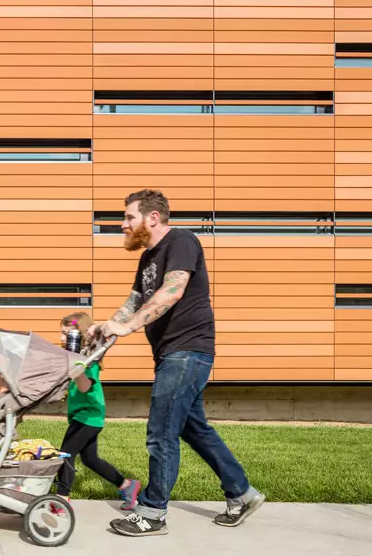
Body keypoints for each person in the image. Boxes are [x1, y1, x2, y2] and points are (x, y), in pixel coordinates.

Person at [87, 189, 265, 537]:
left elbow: (174, 289)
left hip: (188, 350)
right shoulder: (148, 258)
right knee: (192, 428)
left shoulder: (182, 241)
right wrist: (106, 328)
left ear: (152, 218)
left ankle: (153, 513)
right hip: (173, 352)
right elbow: (136, 299)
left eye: (128, 217)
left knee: (161, 432)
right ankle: (242, 493)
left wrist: (128, 325)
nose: (123, 225)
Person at [55, 312, 141, 510]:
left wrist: (77, 372)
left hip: (89, 416)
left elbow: (85, 386)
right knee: (90, 459)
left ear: (81, 337)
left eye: (66, 334)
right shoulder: (77, 358)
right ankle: (127, 485)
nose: (61, 338)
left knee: (66, 454)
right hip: (83, 415)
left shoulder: (89, 361)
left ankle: (61, 499)